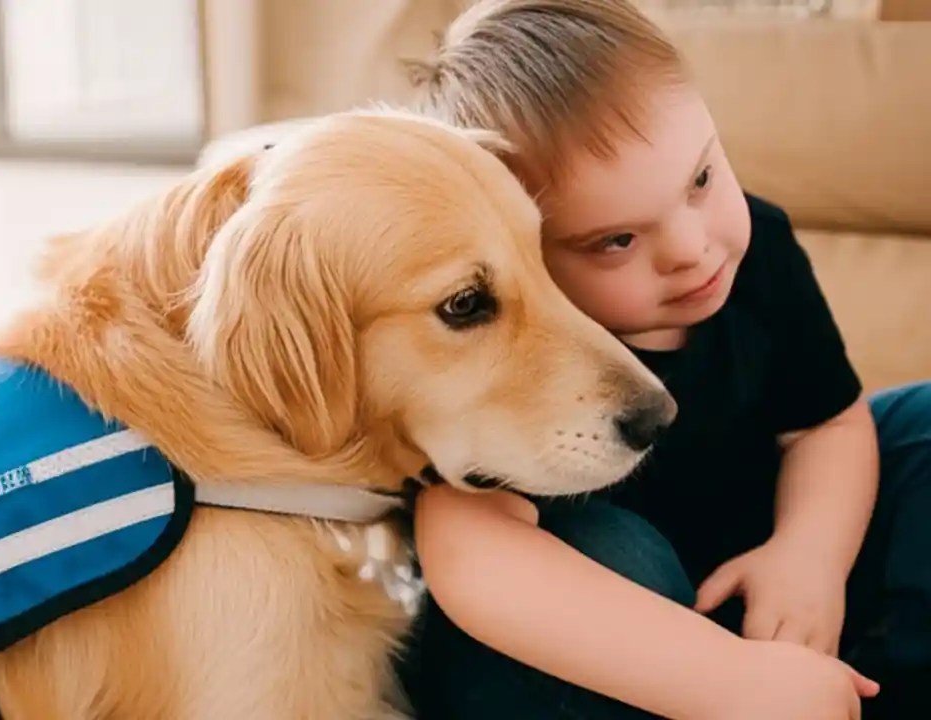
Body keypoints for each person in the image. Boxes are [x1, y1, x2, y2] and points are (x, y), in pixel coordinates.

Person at [397, 1, 931, 717]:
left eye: (701, 180)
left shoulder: (761, 249)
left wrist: (809, 557)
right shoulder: (513, 347)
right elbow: (469, 554)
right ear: (523, 253)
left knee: (921, 424)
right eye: (616, 240)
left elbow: (825, 425)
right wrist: (730, 680)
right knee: (604, 548)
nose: (692, 248)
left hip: (776, 576)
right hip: (629, 652)